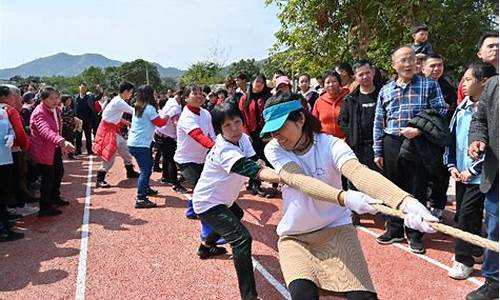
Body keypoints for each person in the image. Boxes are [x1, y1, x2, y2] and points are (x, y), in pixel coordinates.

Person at [261, 92, 437, 300]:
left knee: (364, 297)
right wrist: (345, 198)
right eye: (271, 132)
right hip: (296, 236)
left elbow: (358, 172)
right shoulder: (274, 148)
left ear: (300, 118)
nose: (277, 136)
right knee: (302, 295)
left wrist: (406, 202)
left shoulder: (331, 145)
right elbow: (299, 181)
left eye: (280, 128)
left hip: (336, 229)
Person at [192, 103, 281, 299]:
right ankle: (249, 296)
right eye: (227, 125)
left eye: (237, 122)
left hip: (224, 200)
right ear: (219, 130)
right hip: (208, 203)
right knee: (242, 239)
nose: (234, 128)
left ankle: (205, 247)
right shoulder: (224, 150)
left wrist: (269, 168)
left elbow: (254, 160)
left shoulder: (243, 138)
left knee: (237, 214)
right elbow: (252, 170)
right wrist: (285, 177)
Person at [373, 46, 447, 254]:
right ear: (394, 65)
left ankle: (415, 234)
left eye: (411, 60)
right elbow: (379, 121)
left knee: (417, 189)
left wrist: (419, 129)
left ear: (417, 63)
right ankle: (394, 229)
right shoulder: (385, 90)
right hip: (391, 142)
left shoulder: (429, 85)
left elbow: (440, 111)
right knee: (392, 189)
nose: (407, 64)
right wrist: (378, 150)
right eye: (403, 60)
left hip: (418, 143)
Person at [444, 62, 497, 280]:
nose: (463, 84)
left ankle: (463, 259)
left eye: (468, 79)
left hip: (480, 176)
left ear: (484, 82)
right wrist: (452, 165)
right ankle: (476, 251)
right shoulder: (462, 107)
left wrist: (472, 171)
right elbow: (452, 137)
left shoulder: (491, 110)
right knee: (468, 216)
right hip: (461, 172)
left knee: (465, 217)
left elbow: (492, 145)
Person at [466, 75, 499, 300]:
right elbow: (479, 121)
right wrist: (477, 138)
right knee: (495, 228)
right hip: (496, 172)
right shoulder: (495, 84)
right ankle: (494, 281)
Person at [421, 54, 458, 219]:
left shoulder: (448, 88)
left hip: (441, 139)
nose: (437, 69)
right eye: (432, 66)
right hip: (420, 138)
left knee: (441, 175)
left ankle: (437, 206)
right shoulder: (416, 86)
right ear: (423, 69)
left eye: (440, 65)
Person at [30, 87, 75, 216]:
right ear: (43, 99)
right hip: (43, 150)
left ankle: (55, 197)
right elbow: (46, 131)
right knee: (48, 178)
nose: (55, 101)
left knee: (58, 172)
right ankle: (45, 206)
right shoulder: (39, 113)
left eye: (57, 97)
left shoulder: (55, 110)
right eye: (51, 98)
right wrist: (62, 141)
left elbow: (57, 127)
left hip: (53, 148)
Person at [174, 85, 216, 217]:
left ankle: (192, 211)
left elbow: (211, 135)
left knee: (203, 189)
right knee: (203, 192)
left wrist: (217, 146)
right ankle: (208, 229)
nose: (199, 96)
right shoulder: (186, 117)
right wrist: (216, 148)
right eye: (195, 93)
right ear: (186, 98)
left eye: (201, 93)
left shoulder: (206, 113)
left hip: (203, 158)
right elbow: (198, 136)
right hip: (186, 160)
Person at [93, 81, 140, 188]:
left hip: (113, 129)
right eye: (131, 92)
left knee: (125, 150)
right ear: (125, 91)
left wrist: (127, 122)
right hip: (108, 131)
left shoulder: (118, 100)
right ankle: (100, 179)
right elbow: (134, 111)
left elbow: (116, 116)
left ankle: (130, 171)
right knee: (109, 156)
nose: (131, 95)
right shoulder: (119, 102)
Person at [127, 85, 167, 208]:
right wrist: (168, 116)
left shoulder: (138, 107)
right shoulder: (149, 108)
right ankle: (140, 198)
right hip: (141, 144)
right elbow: (160, 123)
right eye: (154, 94)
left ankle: (146, 189)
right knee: (145, 170)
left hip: (135, 142)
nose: (156, 96)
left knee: (146, 167)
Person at [339, 59, 380, 171]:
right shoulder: (350, 99)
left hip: (380, 147)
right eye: (360, 74)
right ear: (355, 77)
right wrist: (352, 134)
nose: (365, 77)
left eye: (367, 73)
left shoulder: (383, 94)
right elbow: (342, 121)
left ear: (373, 72)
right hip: (358, 147)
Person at [238, 74, 273, 197]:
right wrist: (246, 133)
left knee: (267, 156)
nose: (259, 84)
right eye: (257, 81)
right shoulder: (244, 99)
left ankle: (271, 182)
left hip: (266, 132)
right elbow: (241, 117)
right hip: (252, 133)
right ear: (252, 82)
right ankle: (255, 185)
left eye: (262, 82)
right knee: (255, 158)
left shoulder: (268, 97)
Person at [0, 86, 22, 241]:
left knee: (4, 191)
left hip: (5, 157)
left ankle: (4, 222)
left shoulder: (3, 111)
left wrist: (11, 136)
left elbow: (11, 129)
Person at [154, 89, 186, 192]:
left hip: (160, 134)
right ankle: (175, 183)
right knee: (172, 159)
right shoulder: (175, 107)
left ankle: (165, 177)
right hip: (165, 136)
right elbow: (176, 123)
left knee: (166, 157)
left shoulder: (171, 100)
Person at [457, 32, 499, 103]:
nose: (496, 49)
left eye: (498, 46)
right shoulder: (469, 77)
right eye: (490, 46)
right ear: (479, 54)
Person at [312, 70, 350, 139]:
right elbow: (314, 123)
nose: (331, 85)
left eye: (334, 81)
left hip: (346, 141)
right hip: (326, 143)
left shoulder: (348, 98)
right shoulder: (319, 101)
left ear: (339, 83)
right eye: (328, 82)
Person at [74, 83, 98, 155]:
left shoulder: (89, 97)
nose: (83, 89)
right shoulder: (75, 97)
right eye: (82, 87)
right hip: (78, 120)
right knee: (78, 136)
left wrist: (100, 91)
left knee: (88, 136)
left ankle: (89, 150)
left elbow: (98, 97)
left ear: (86, 89)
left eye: (84, 88)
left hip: (87, 120)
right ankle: (78, 150)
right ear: (79, 88)